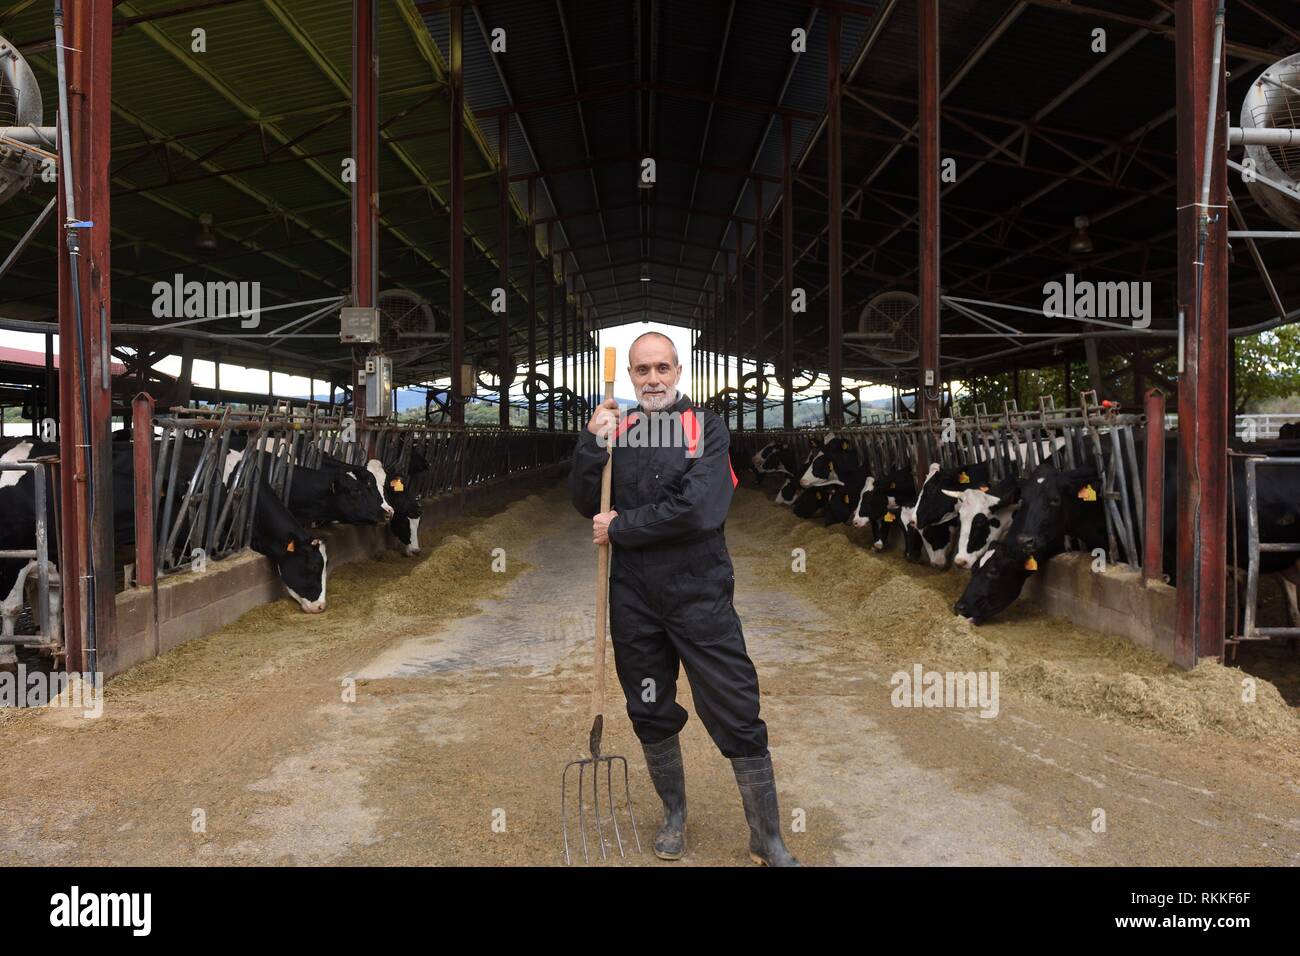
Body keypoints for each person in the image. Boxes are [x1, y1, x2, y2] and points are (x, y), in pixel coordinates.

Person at [568, 331, 798, 866]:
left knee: (736, 707)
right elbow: (585, 503)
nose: (652, 379)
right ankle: (674, 813)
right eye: (642, 370)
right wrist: (588, 444)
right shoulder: (616, 429)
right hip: (634, 598)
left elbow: (700, 509)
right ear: (630, 376)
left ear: (679, 371)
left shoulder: (706, 429)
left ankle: (766, 836)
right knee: (648, 705)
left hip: (700, 594)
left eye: (662, 368)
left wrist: (623, 525)